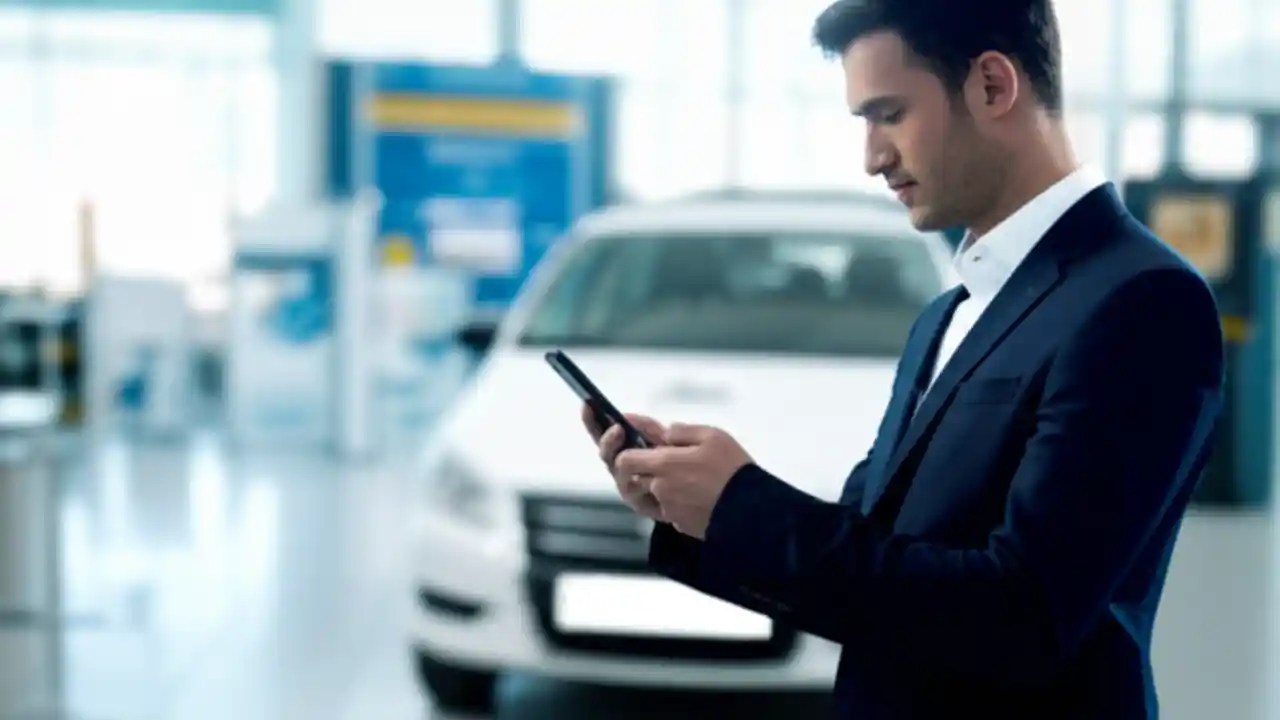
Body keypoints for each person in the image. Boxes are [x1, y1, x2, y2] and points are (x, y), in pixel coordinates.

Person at [582, 0, 1226, 717]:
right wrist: (698, 510)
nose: (872, 158)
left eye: (889, 114)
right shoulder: (944, 317)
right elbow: (871, 554)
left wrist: (741, 505)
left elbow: (1024, 615)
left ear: (991, 85)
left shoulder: (1143, 300)